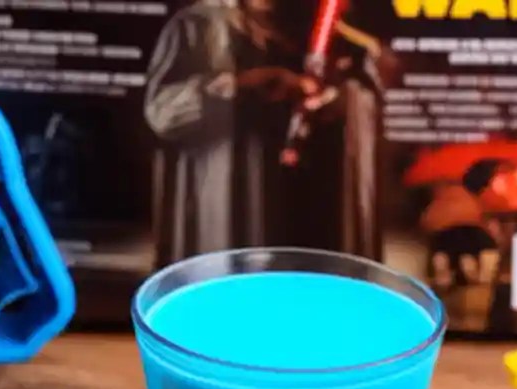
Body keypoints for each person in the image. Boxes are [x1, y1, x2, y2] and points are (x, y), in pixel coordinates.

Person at [143, 0, 380, 266]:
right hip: (222, 210)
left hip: (291, 216)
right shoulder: (195, 25)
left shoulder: (303, 28)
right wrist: (239, 84)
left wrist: (330, 100)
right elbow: (162, 111)